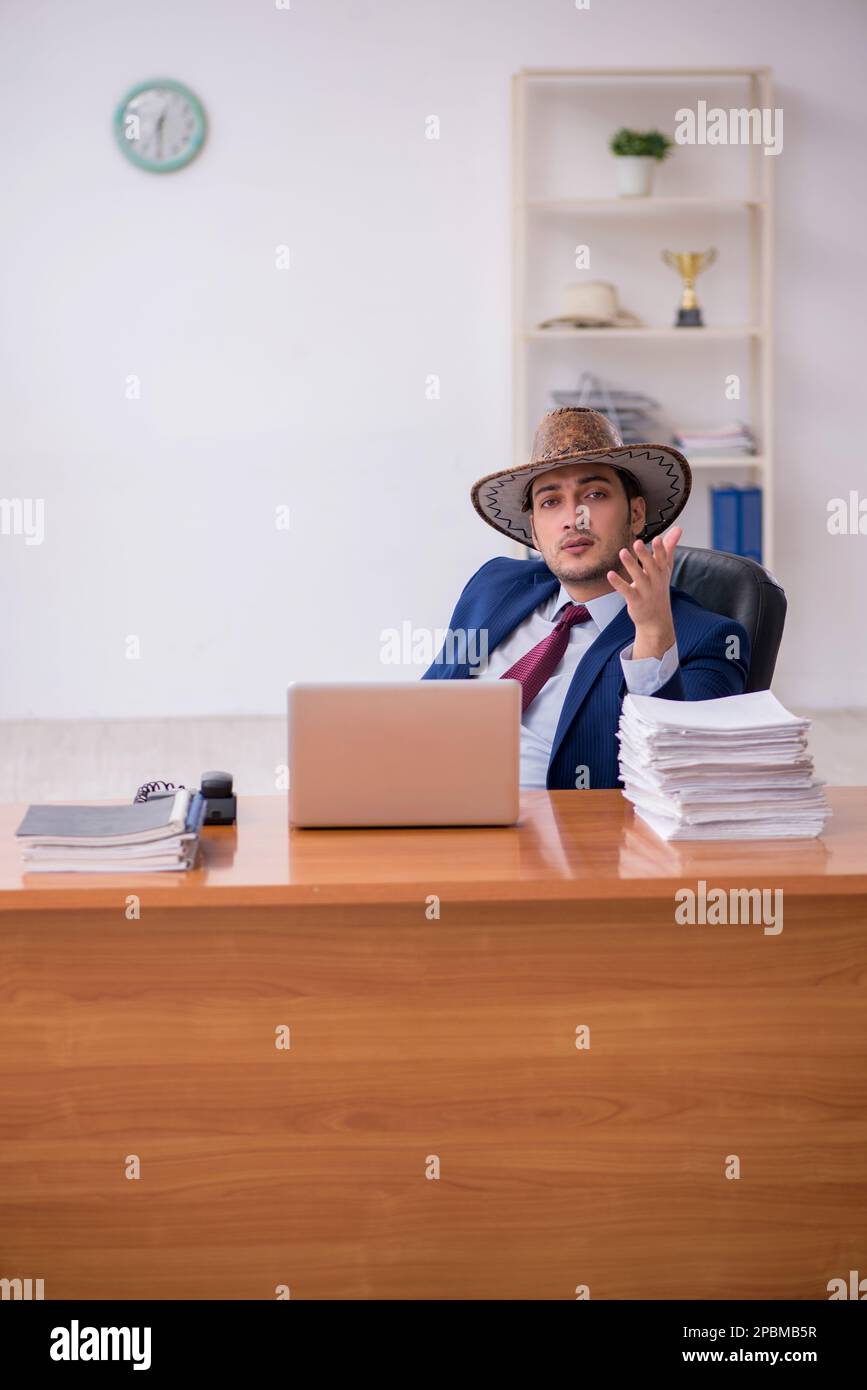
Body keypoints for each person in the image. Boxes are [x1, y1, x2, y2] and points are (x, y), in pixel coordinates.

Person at [422, 406, 750, 790]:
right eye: (550, 502)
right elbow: (427, 700)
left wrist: (652, 633)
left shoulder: (707, 638)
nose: (573, 518)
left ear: (637, 513)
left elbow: (684, 778)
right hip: (424, 800)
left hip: (545, 836)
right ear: (533, 532)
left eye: (594, 494)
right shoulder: (494, 587)